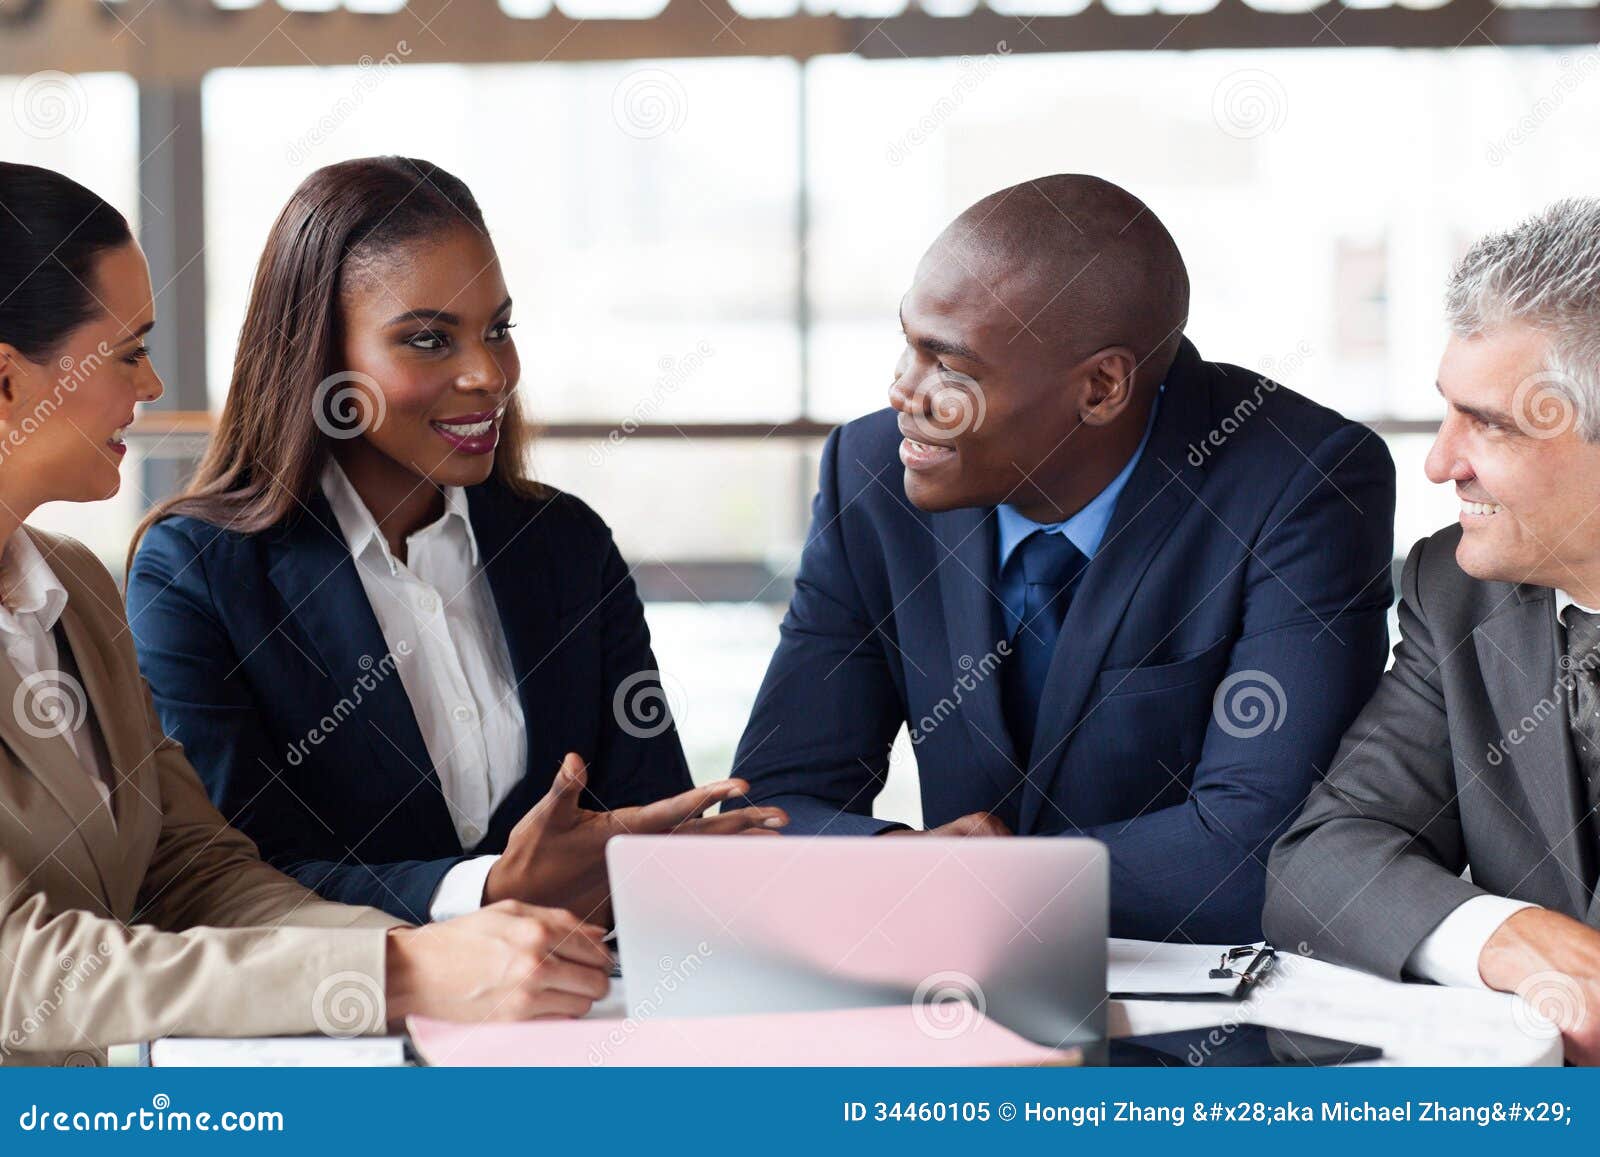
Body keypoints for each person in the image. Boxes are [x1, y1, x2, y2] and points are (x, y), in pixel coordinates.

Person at [0, 162, 617, 1067]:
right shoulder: (187, 565)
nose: (153, 382)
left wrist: (448, 955)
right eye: (128, 350)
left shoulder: (75, 588)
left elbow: (193, 867)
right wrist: (400, 971)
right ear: (9, 381)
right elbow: (20, 967)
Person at [730, 174, 1396, 943]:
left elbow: (1263, 852)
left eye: (949, 367)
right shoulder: (871, 471)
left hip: (1191, 1033)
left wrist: (984, 882)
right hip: (945, 999)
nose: (901, 392)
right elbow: (767, 810)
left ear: (1102, 385)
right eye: (908, 345)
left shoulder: (1300, 480)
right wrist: (900, 862)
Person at [125, 157, 785, 927]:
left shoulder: (566, 545)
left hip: (581, 1015)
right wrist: (487, 891)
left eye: (497, 329)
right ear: (320, 355)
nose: (488, 373)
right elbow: (223, 885)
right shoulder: (198, 572)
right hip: (338, 1031)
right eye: (430, 339)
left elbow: (644, 820)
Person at [1265, 198, 1600, 1065]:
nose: (1440, 460)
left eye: (1488, 423)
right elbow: (1322, 865)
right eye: (1448, 411)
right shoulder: (1455, 589)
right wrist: (1511, 938)